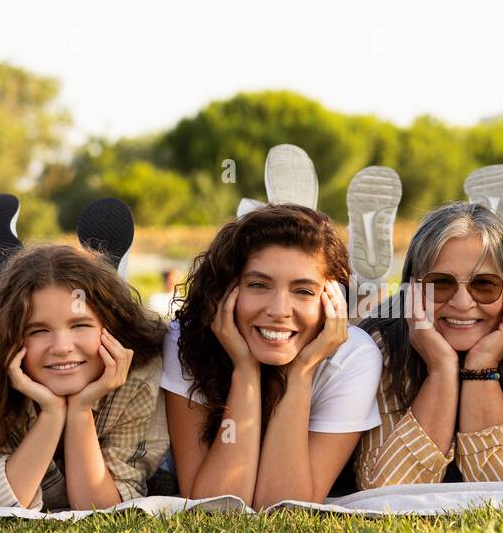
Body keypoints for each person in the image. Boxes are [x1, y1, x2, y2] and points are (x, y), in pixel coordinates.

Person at [163, 204, 383, 509]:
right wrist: (245, 370)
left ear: (332, 300)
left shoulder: (352, 358)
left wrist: (302, 372)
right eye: (258, 285)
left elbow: (283, 506)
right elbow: (214, 505)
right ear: (226, 289)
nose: (279, 310)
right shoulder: (187, 338)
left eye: (303, 291)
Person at [354, 201, 503, 486]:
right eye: (440, 284)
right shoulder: (379, 347)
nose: (461, 303)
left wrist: (482, 367)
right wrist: (442, 369)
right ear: (413, 289)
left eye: (484, 284)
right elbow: (384, 491)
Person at [0, 244, 169, 511]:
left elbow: (101, 510)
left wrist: (81, 410)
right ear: (10, 340)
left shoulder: (136, 380)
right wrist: (52, 413)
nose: (61, 347)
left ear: (111, 329)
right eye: (38, 331)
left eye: (79, 325)